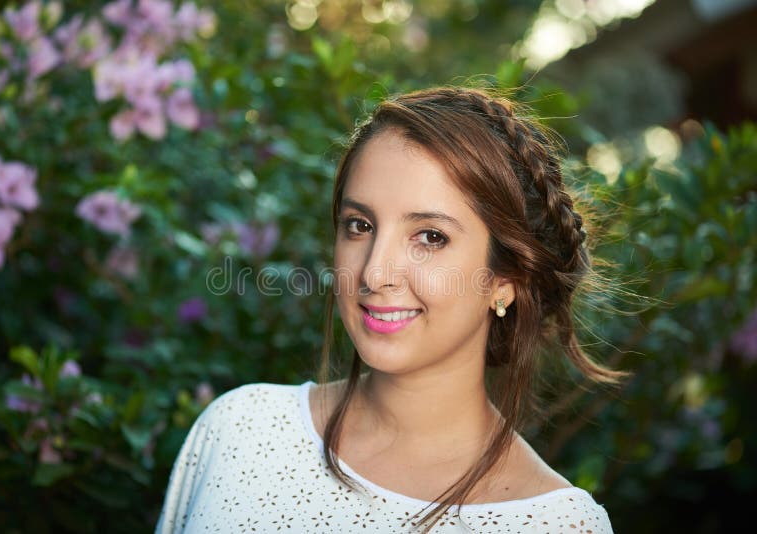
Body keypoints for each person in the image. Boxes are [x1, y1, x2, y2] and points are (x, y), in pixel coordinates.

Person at [156, 86, 625, 533]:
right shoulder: (242, 429)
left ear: (506, 281)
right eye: (359, 225)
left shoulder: (554, 524)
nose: (374, 273)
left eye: (430, 237)